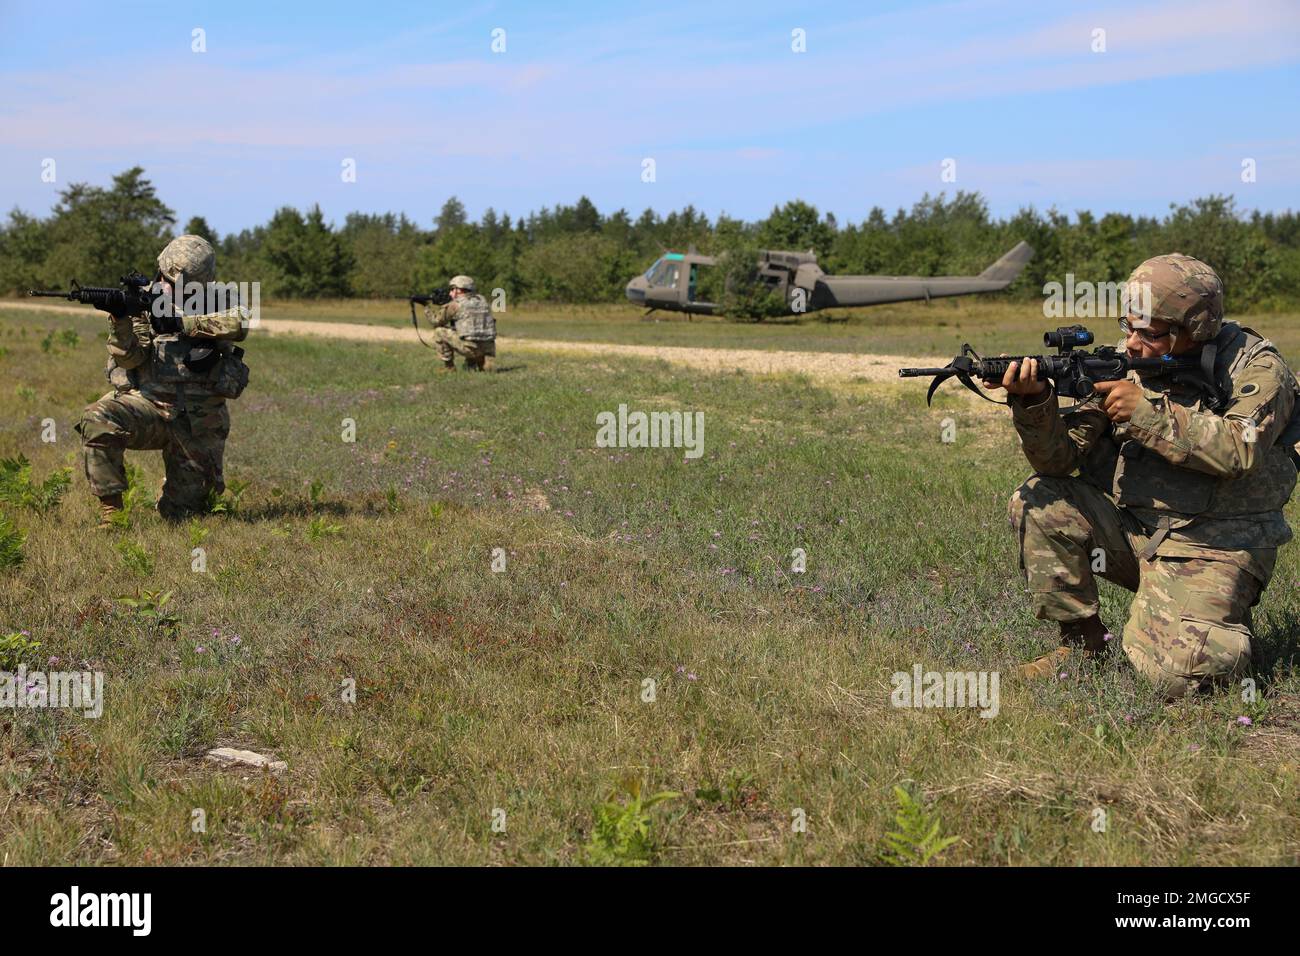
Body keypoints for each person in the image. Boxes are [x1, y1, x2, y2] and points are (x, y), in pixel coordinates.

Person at [995, 254, 1300, 699]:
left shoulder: (1257, 369)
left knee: (1179, 678)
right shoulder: (1127, 362)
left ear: (1193, 328)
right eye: (1128, 326)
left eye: (1149, 333)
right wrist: (1033, 402)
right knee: (1041, 499)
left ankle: (1209, 616)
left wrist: (1146, 413)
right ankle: (1084, 646)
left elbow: (1240, 449)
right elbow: (1058, 461)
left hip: (1216, 545)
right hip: (1140, 533)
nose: (1132, 344)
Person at [76, 235, 250, 527]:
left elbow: (240, 323)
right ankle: (113, 514)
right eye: (168, 279)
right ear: (159, 270)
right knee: (98, 418)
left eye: (183, 284)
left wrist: (182, 322)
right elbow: (130, 359)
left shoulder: (219, 298)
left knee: (185, 516)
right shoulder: (143, 300)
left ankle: (175, 486)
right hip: (149, 408)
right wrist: (120, 320)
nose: (171, 287)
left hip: (198, 423)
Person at [427, 275, 496, 371]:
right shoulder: (482, 300)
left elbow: (436, 321)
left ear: (458, 290)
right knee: (468, 332)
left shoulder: (455, 304)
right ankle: (478, 363)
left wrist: (426, 307)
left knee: (439, 331)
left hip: (471, 349)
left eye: (452, 289)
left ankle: (449, 367)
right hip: (488, 348)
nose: (450, 292)